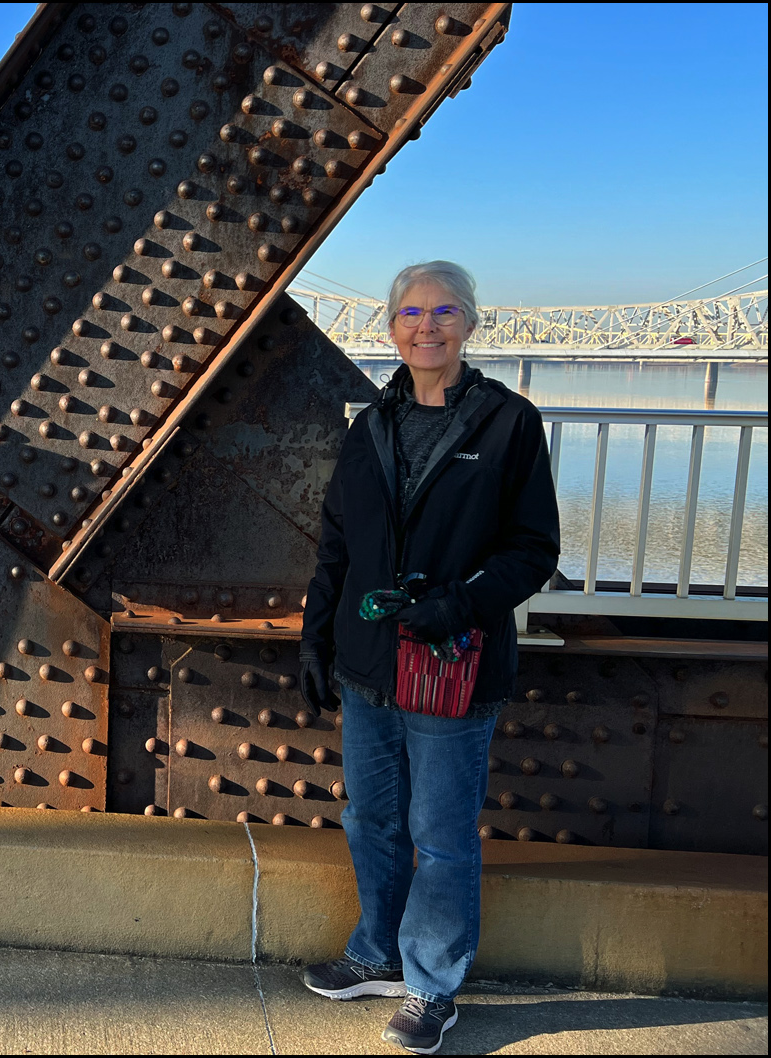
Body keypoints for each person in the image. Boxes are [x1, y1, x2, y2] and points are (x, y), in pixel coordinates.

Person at [296, 261, 560, 1054]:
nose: (427, 326)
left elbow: (533, 549)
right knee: (371, 816)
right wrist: (316, 633)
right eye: (411, 314)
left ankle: (430, 986)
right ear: (391, 329)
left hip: (454, 659)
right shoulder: (370, 424)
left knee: (440, 832)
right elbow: (337, 541)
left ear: (470, 324)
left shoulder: (508, 423)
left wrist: (463, 600)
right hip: (370, 660)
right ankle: (376, 951)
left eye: (445, 312)